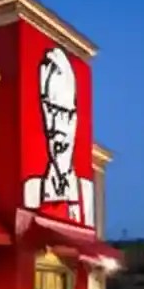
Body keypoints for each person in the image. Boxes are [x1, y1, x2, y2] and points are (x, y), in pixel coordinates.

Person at [22, 46, 92, 225]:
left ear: (75, 117)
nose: (55, 126)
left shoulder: (85, 192)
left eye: (64, 113)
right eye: (50, 110)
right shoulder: (32, 191)